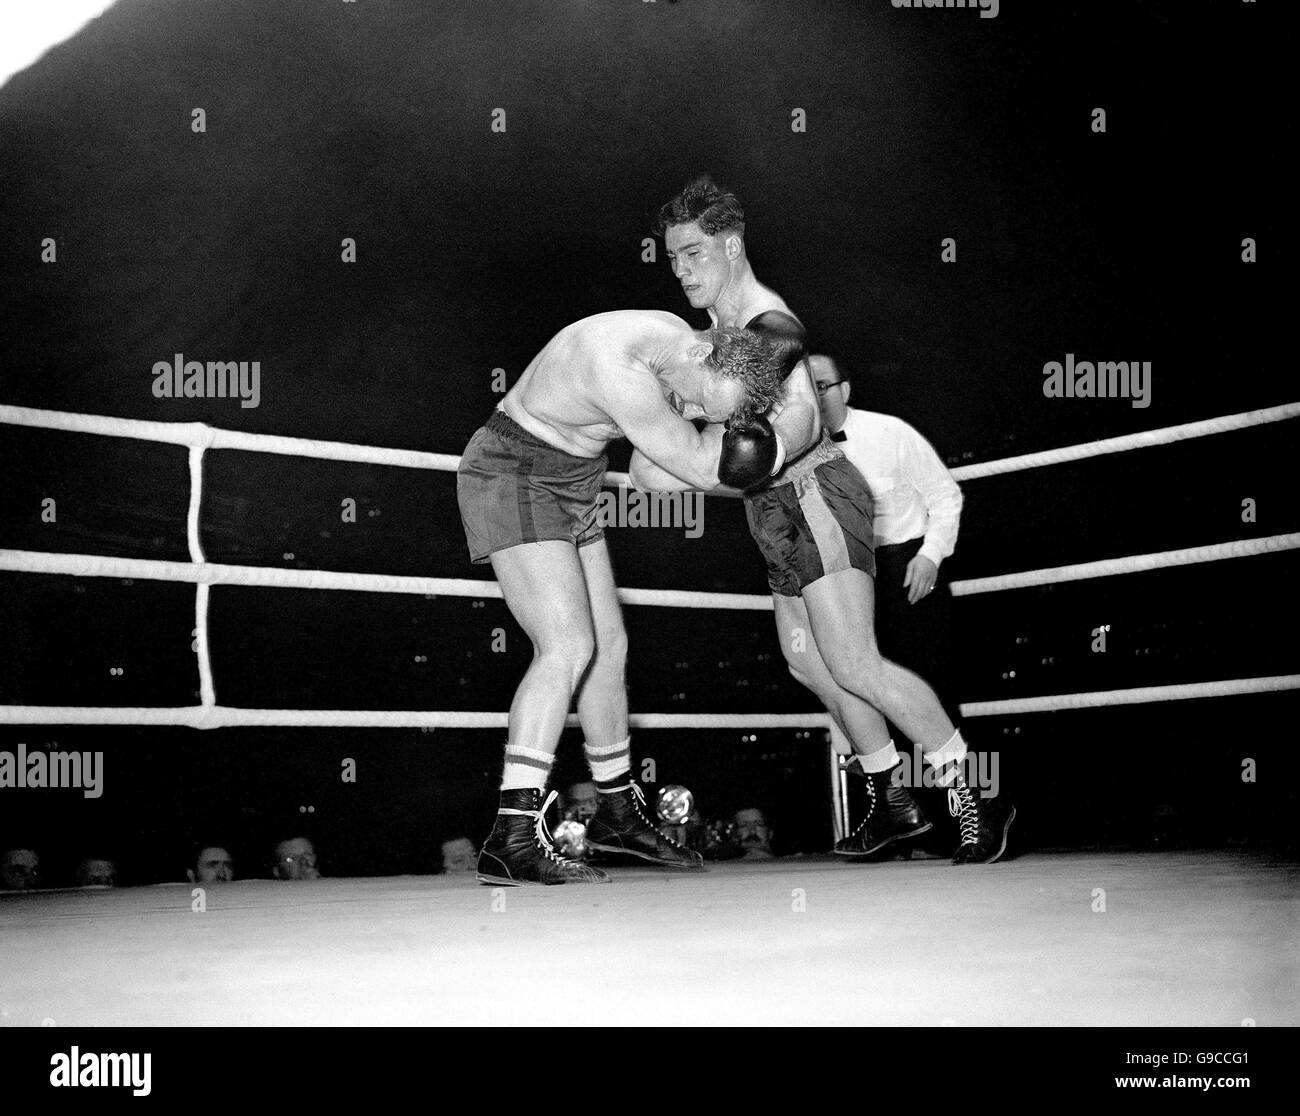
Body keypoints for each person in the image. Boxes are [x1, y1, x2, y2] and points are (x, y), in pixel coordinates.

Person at [638, 176, 1013, 864]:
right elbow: (694, 450)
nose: (682, 269)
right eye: (672, 258)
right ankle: (892, 801)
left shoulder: (762, 319)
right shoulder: (716, 331)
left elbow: (803, 416)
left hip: (815, 496)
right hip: (774, 507)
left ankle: (975, 794)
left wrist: (730, 449)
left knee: (856, 662)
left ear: (732, 244)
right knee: (809, 665)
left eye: (693, 252)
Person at [458, 309, 787, 886]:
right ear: (700, 353)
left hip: (574, 476)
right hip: (514, 471)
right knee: (565, 646)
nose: (698, 416)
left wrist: (712, 426)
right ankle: (510, 835)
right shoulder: (620, 368)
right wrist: (776, 460)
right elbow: (673, 470)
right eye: (703, 405)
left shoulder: (674, 350)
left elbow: (644, 468)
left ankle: (615, 812)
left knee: (609, 645)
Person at [809, 354, 972, 854]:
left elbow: (945, 495)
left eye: (824, 385)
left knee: (931, 689)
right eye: (806, 387)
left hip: (905, 570)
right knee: (863, 691)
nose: (815, 396)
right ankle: (903, 821)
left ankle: (966, 819)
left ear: (846, 388)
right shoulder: (794, 449)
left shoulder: (891, 432)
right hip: (842, 577)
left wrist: (929, 556)